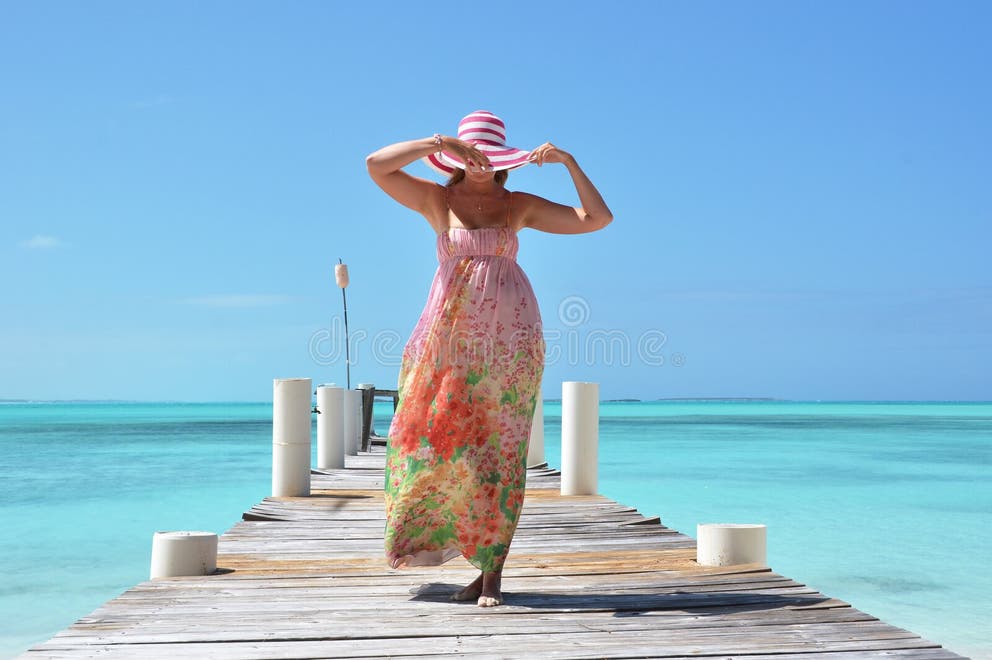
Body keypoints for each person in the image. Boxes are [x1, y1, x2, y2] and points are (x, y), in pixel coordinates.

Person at [366, 110, 612, 607]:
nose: (480, 163)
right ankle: (455, 550)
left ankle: (492, 572)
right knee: (425, 437)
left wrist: (568, 162)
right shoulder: (437, 200)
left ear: (504, 160)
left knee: (498, 452)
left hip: (509, 341)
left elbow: (597, 219)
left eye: (489, 155)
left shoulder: (517, 205)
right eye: (472, 153)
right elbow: (376, 165)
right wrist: (440, 142)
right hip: (447, 339)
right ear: (457, 157)